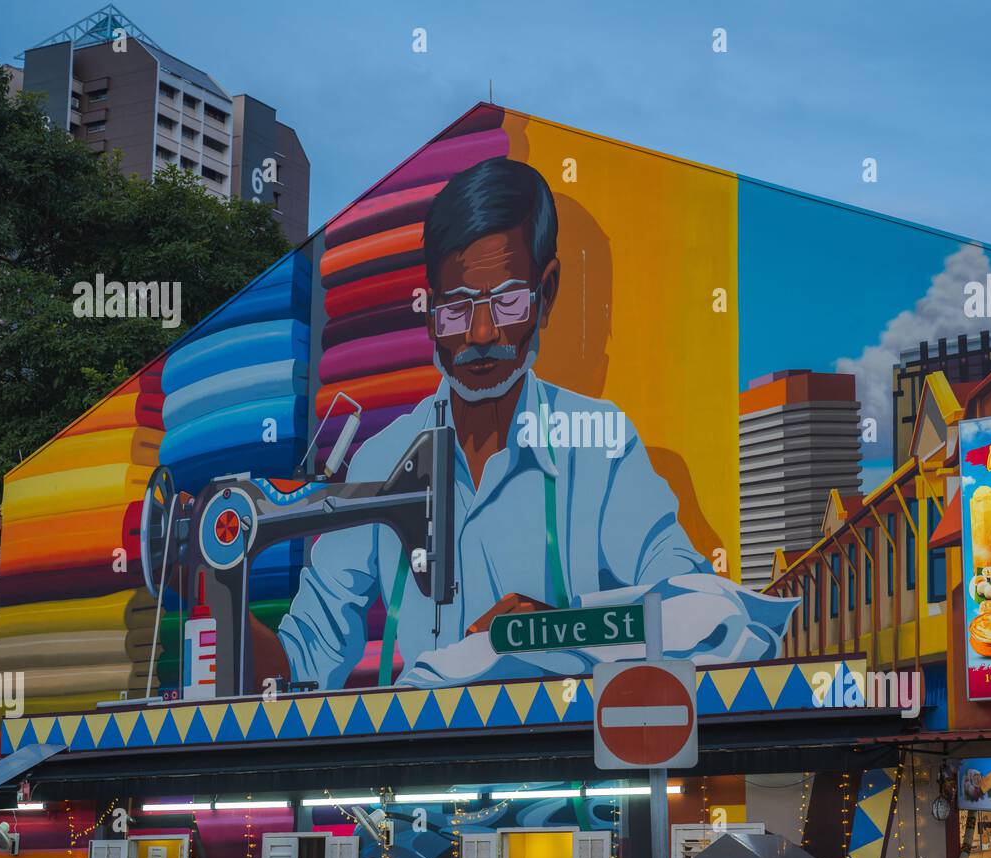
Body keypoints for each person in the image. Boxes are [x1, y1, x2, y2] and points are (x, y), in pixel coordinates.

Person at [265, 157, 798, 688]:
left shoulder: (600, 446)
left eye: (506, 301)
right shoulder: (383, 461)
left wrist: (552, 634)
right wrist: (213, 596)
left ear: (547, 294)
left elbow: (703, 617)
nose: (478, 332)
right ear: (429, 312)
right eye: (456, 307)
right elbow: (305, 657)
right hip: (424, 767)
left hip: (571, 769)